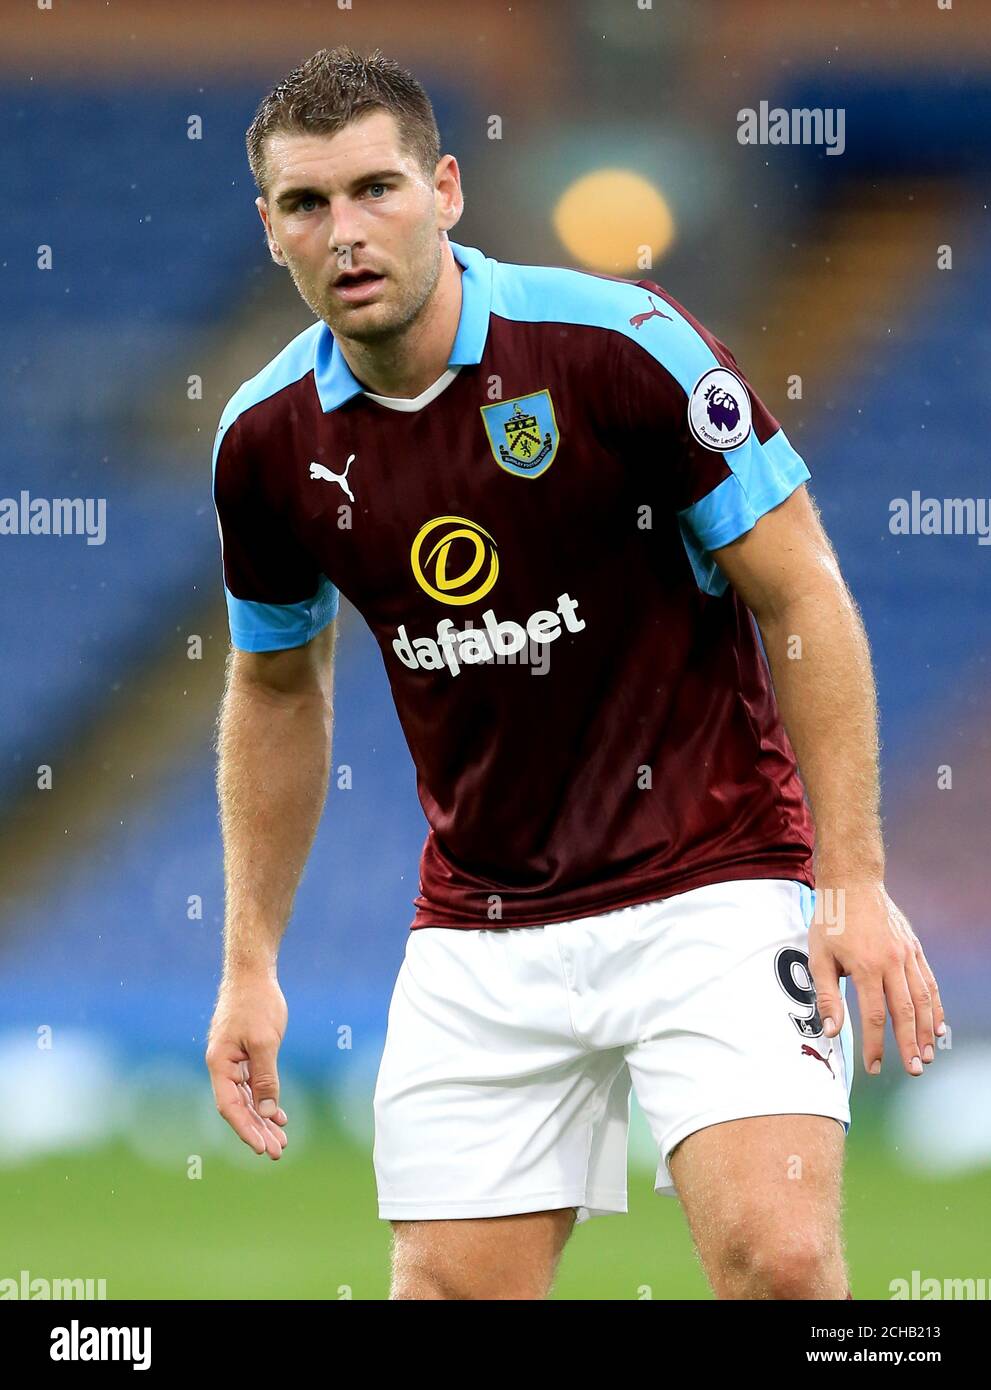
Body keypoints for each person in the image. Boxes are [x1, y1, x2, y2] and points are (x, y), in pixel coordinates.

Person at [205, 46, 944, 1301]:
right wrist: (248, 963)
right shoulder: (265, 443)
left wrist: (853, 877)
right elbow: (276, 685)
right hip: (483, 920)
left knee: (780, 1264)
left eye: (377, 189)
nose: (346, 231)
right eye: (307, 203)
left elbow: (802, 590)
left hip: (713, 879)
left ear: (445, 189)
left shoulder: (617, 345)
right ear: (270, 228)